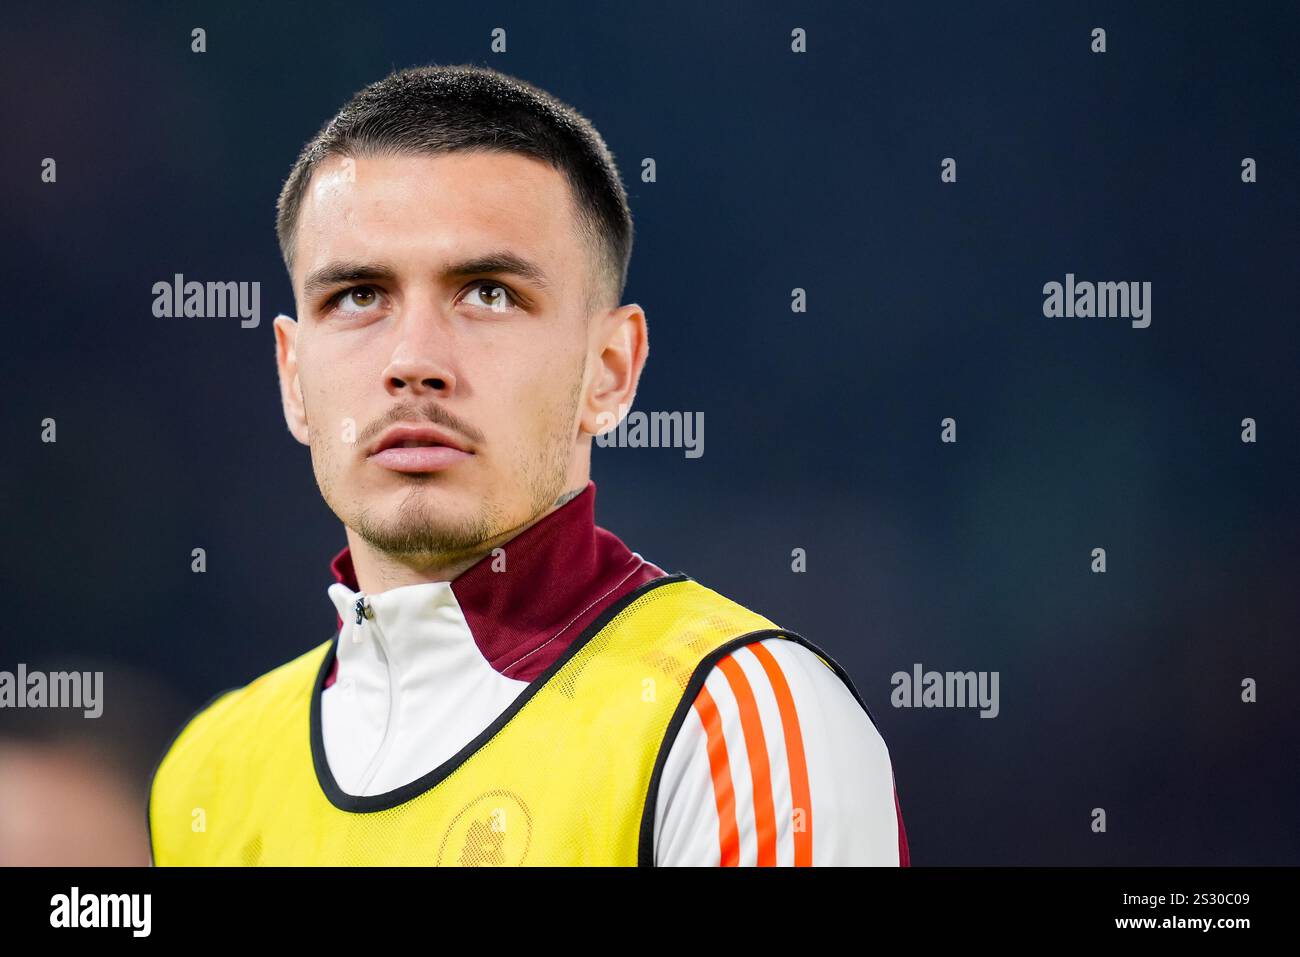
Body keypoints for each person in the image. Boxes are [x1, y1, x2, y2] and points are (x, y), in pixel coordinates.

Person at [148, 63, 909, 866]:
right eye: (360, 296)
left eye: (489, 293)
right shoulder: (209, 770)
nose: (414, 361)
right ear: (293, 377)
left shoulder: (734, 719)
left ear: (610, 370)